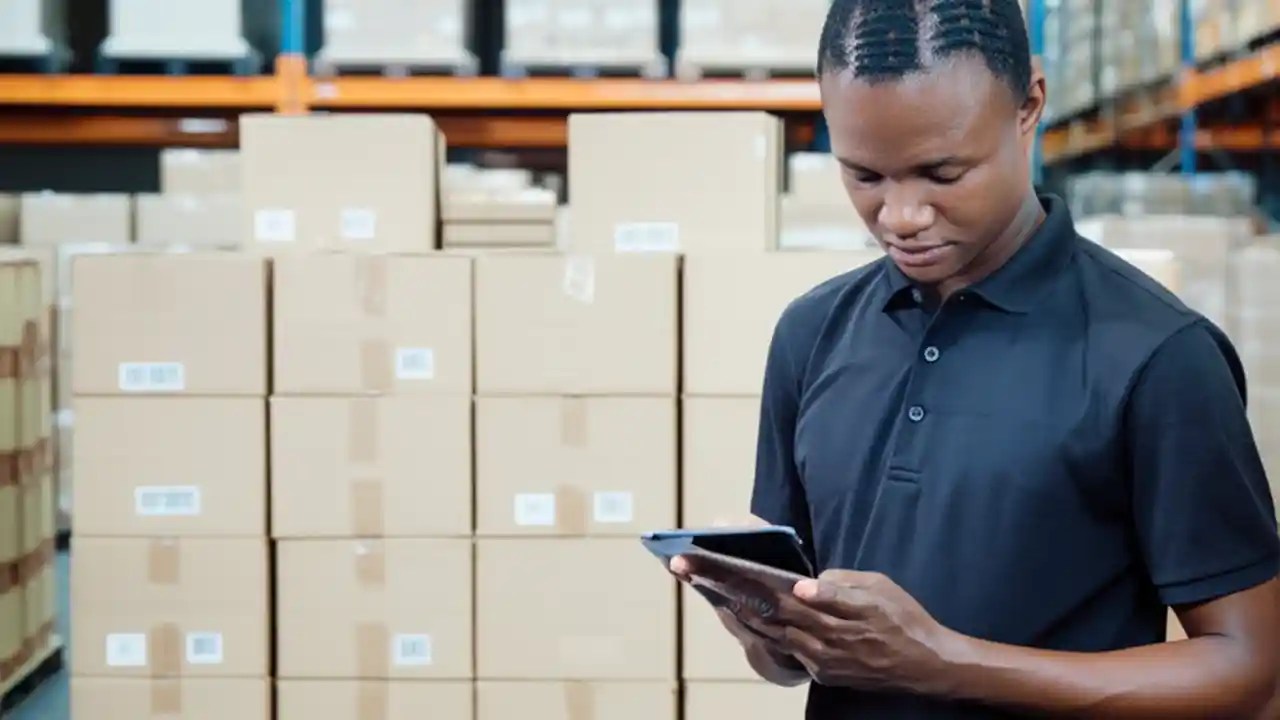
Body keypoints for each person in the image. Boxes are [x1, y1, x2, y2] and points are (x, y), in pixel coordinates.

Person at [669, 0, 1280, 717]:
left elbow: (1251, 677)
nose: (901, 216)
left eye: (942, 173)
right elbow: (789, 664)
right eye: (865, 176)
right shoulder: (811, 335)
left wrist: (946, 663)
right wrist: (766, 628)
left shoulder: (1156, 356)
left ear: (1030, 106)